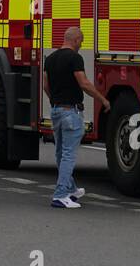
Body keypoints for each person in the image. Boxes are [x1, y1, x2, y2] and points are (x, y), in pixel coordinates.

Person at [44, 26, 109, 209]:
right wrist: (102, 100)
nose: (81, 45)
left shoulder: (51, 58)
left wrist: (54, 100)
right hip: (71, 112)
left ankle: (70, 189)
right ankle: (61, 194)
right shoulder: (74, 58)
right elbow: (84, 84)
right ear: (75, 39)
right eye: (81, 41)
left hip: (56, 111)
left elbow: (45, 85)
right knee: (68, 155)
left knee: (60, 153)